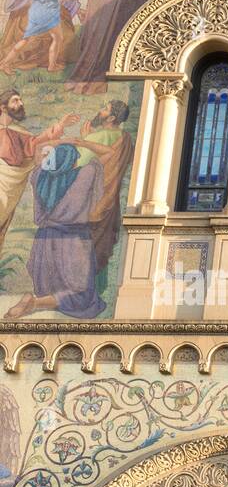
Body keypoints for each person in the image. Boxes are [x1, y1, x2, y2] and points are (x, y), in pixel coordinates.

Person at [5, 143, 108, 319]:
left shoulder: (39, 175)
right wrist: (79, 141)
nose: (76, 163)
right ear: (71, 161)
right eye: (75, 159)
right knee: (81, 295)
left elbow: (38, 151)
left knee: (49, 287)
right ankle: (34, 303)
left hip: (44, 241)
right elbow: (109, 153)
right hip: (73, 241)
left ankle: (35, 300)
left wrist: (52, 148)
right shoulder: (84, 174)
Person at [0, 89, 77, 253]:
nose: (21, 103)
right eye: (15, 101)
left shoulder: (19, 132)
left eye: (20, 99)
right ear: (3, 107)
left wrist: (60, 126)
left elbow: (35, 144)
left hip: (11, 186)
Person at [65, 100, 132, 278]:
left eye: (104, 109)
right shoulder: (126, 138)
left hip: (89, 200)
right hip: (109, 201)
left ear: (111, 118)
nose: (100, 111)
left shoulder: (96, 137)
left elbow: (77, 167)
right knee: (98, 248)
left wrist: (85, 140)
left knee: (80, 247)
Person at [0, 0, 80, 76]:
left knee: (54, 38)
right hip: (46, 12)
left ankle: (52, 65)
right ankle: (6, 63)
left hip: (40, 11)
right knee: (56, 38)